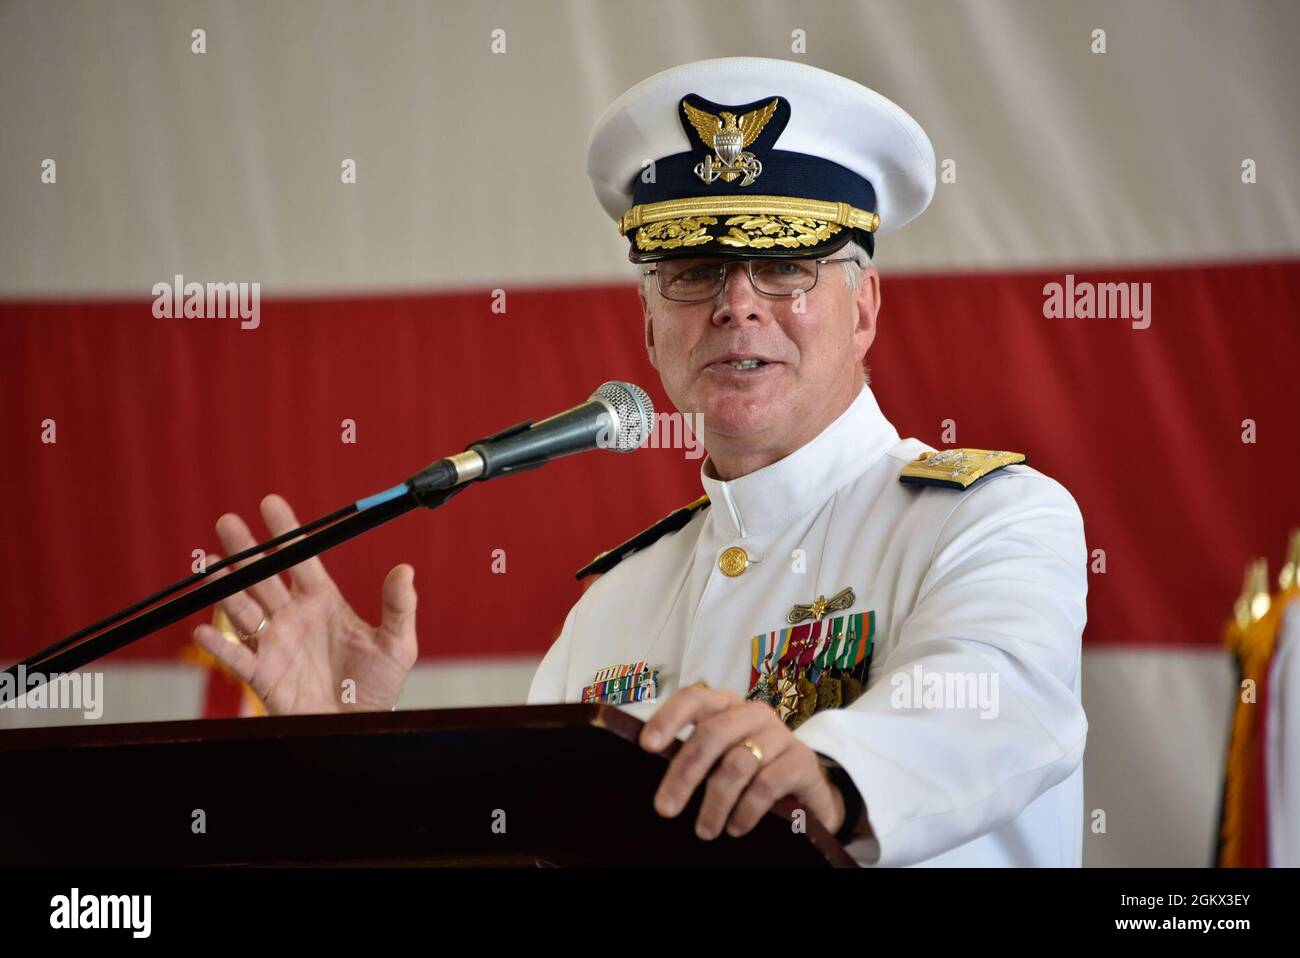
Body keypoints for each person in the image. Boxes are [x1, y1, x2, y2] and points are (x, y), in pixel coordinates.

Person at [196, 57, 1088, 867]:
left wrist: (822, 771)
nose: (738, 305)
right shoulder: (611, 607)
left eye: (784, 266)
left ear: (864, 309)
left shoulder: (993, 517)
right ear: (652, 330)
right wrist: (357, 764)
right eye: (694, 271)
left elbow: (994, 701)